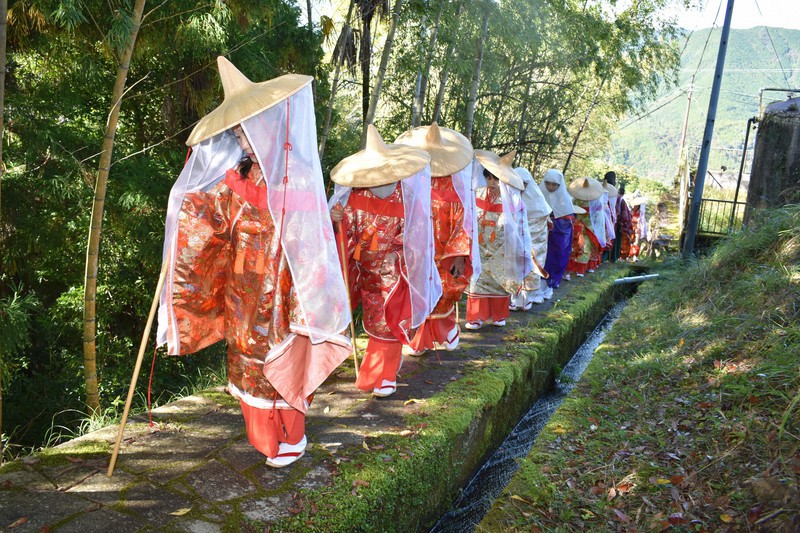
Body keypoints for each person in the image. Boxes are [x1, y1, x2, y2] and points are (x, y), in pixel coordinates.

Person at [157, 57, 352, 468]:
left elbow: (309, 233)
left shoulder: (297, 173)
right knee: (246, 357)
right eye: (236, 132)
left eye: (246, 129)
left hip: (284, 284)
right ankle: (267, 441)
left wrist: (306, 289)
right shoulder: (236, 176)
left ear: (267, 123)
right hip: (242, 290)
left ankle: (292, 437)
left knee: (282, 355)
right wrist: (183, 219)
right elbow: (212, 219)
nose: (241, 139)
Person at [329, 125, 440, 398]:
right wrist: (337, 220)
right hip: (367, 273)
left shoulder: (408, 197)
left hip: (396, 274)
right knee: (375, 321)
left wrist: (397, 254)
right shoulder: (356, 196)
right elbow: (347, 235)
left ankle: (384, 376)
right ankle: (383, 371)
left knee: (388, 323)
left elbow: (417, 234)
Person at [395, 122, 475, 355]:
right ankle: (418, 340)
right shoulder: (411, 180)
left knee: (444, 291)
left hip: (445, 249)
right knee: (417, 291)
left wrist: (458, 255)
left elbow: (463, 222)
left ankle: (447, 329)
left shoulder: (456, 185)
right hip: (418, 248)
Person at [465, 150, 531, 329]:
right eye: (488, 178)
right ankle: (475, 317)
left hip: (502, 247)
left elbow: (520, 224)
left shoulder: (512, 199)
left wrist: (519, 247)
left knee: (500, 281)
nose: (491, 182)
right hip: (479, 245)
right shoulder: (476, 193)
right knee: (477, 280)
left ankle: (498, 315)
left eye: (496, 179)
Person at [511, 167, 551, 309]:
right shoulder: (509, 195)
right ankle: (514, 298)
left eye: (524, 184)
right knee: (513, 265)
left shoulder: (538, 201)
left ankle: (526, 299)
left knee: (531, 264)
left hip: (533, 241)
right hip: (514, 240)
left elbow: (539, 224)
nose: (521, 186)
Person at [539, 169, 575, 299]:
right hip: (540, 233)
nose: (550, 187)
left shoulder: (565, 199)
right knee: (540, 258)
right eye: (547, 183)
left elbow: (568, 219)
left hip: (558, 234)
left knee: (556, 257)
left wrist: (554, 222)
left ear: (559, 185)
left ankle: (550, 286)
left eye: (554, 184)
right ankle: (538, 287)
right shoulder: (538, 195)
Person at [566, 177, 604, 277]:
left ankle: (578, 269)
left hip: (584, 226)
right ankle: (577, 269)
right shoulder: (578, 199)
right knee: (580, 246)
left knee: (582, 247)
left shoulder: (579, 200)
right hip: (583, 226)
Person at [624, 195, 648, 261]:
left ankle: (635, 256)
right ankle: (629, 255)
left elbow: (641, 221)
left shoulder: (640, 213)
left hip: (637, 228)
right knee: (630, 242)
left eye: (636, 206)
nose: (634, 206)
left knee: (636, 242)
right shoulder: (631, 211)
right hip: (631, 228)